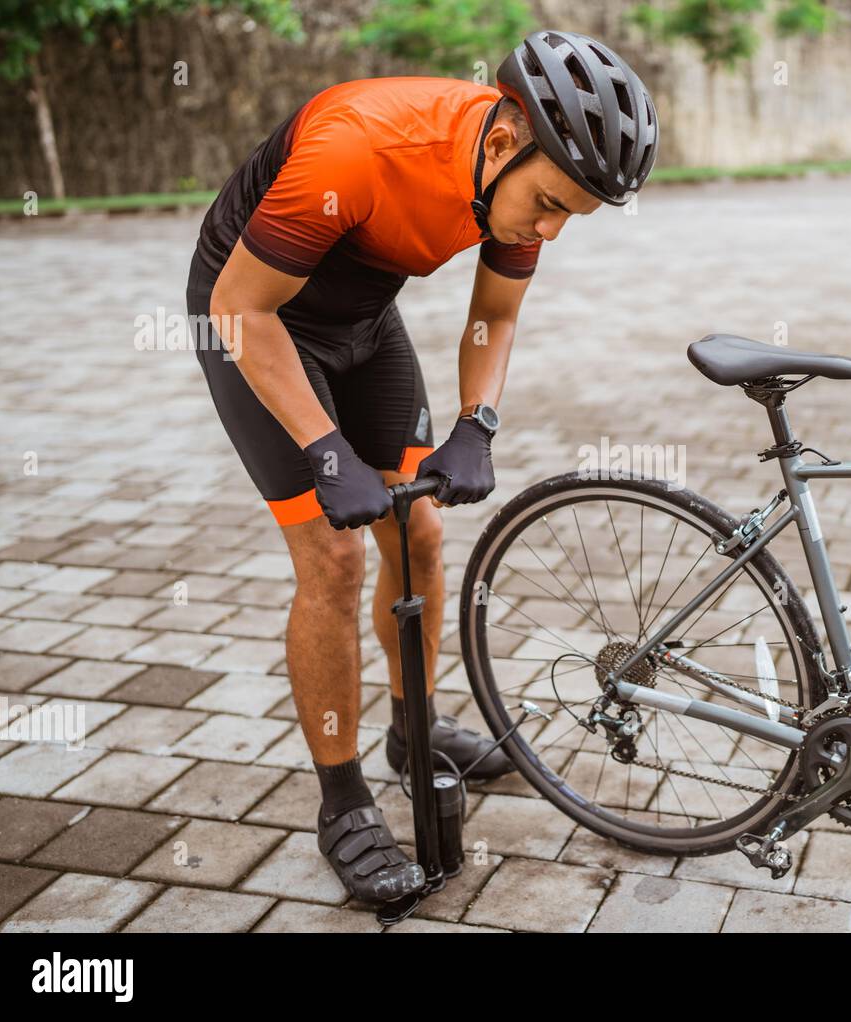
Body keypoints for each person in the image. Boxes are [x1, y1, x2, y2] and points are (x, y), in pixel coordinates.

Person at [184, 29, 658, 903]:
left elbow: (496, 316)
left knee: (423, 533)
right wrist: (326, 450)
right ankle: (343, 803)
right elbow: (240, 308)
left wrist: (478, 423)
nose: (549, 230)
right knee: (334, 554)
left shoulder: (520, 173)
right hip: (254, 318)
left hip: (364, 318)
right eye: (549, 205)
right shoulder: (361, 148)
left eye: (569, 218)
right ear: (506, 141)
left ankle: (416, 735)